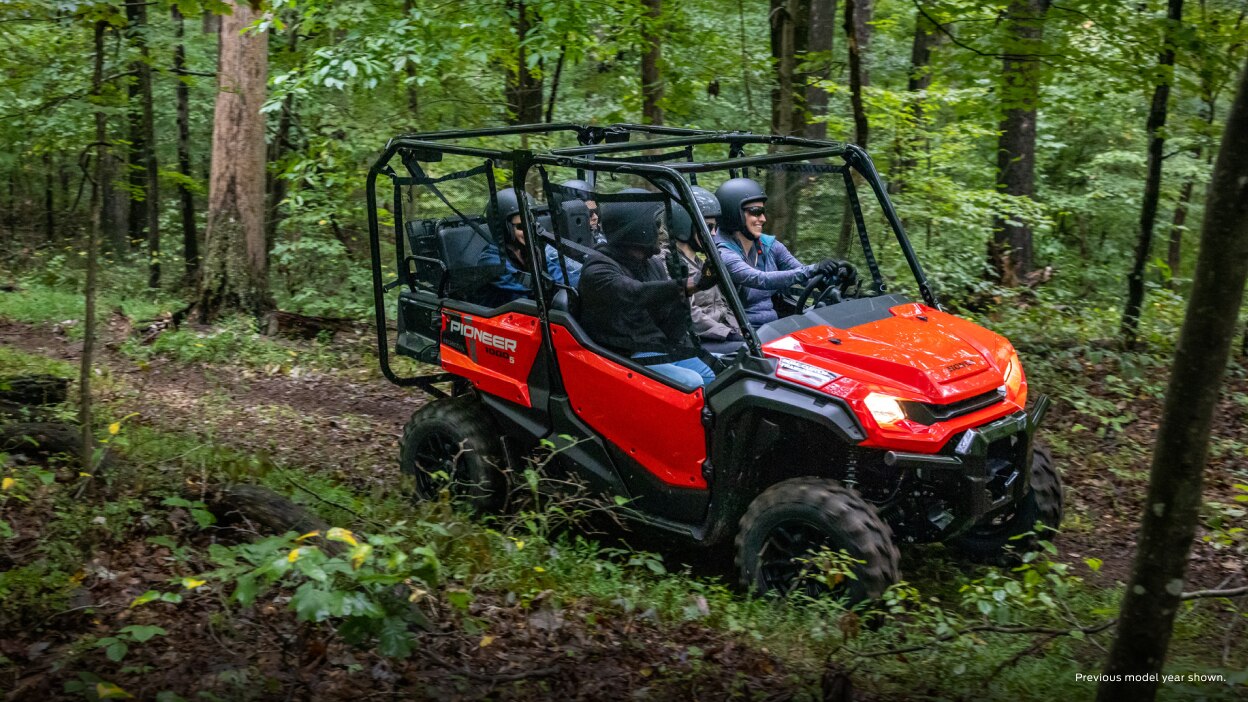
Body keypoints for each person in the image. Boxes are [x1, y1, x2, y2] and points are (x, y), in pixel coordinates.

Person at [577, 196, 718, 387]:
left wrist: (682, 296)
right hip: (622, 354)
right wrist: (691, 284)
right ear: (634, 229)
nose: (661, 230)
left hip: (655, 345)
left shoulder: (651, 263)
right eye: (655, 224)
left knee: (714, 376)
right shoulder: (598, 269)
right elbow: (635, 293)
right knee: (692, 383)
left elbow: (666, 318)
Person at [713, 178, 854, 327]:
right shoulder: (723, 254)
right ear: (733, 214)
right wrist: (813, 269)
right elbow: (760, 279)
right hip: (743, 332)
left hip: (772, 326)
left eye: (763, 212)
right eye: (756, 212)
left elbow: (803, 276)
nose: (763, 219)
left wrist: (835, 276)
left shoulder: (769, 245)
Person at [666, 185, 745, 354]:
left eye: (715, 228)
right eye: (709, 227)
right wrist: (728, 334)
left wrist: (739, 331)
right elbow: (689, 313)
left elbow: (724, 304)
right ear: (685, 225)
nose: (714, 234)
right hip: (700, 339)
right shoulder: (670, 264)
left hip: (722, 334)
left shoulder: (700, 262)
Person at [475, 187, 581, 308]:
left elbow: (557, 273)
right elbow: (529, 288)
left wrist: (583, 284)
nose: (528, 232)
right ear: (504, 230)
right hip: (503, 321)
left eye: (531, 225)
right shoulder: (491, 260)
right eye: (521, 227)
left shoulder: (530, 251)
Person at [560, 178, 604, 245]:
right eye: (589, 213)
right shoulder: (557, 250)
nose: (596, 217)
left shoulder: (599, 236)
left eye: (596, 211)